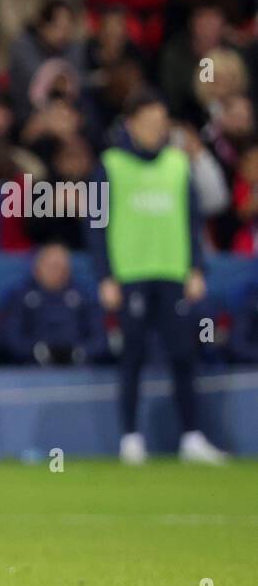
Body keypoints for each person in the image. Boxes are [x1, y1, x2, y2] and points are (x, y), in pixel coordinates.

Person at [91, 90, 227, 464]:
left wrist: (197, 267)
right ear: (131, 124)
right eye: (149, 123)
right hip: (131, 274)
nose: (156, 130)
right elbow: (97, 224)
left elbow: (193, 219)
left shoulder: (178, 164)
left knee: (183, 354)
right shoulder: (110, 164)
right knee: (132, 354)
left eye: (161, 123)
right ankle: (131, 438)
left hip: (172, 272)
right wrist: (105, 276)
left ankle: (191, 438)